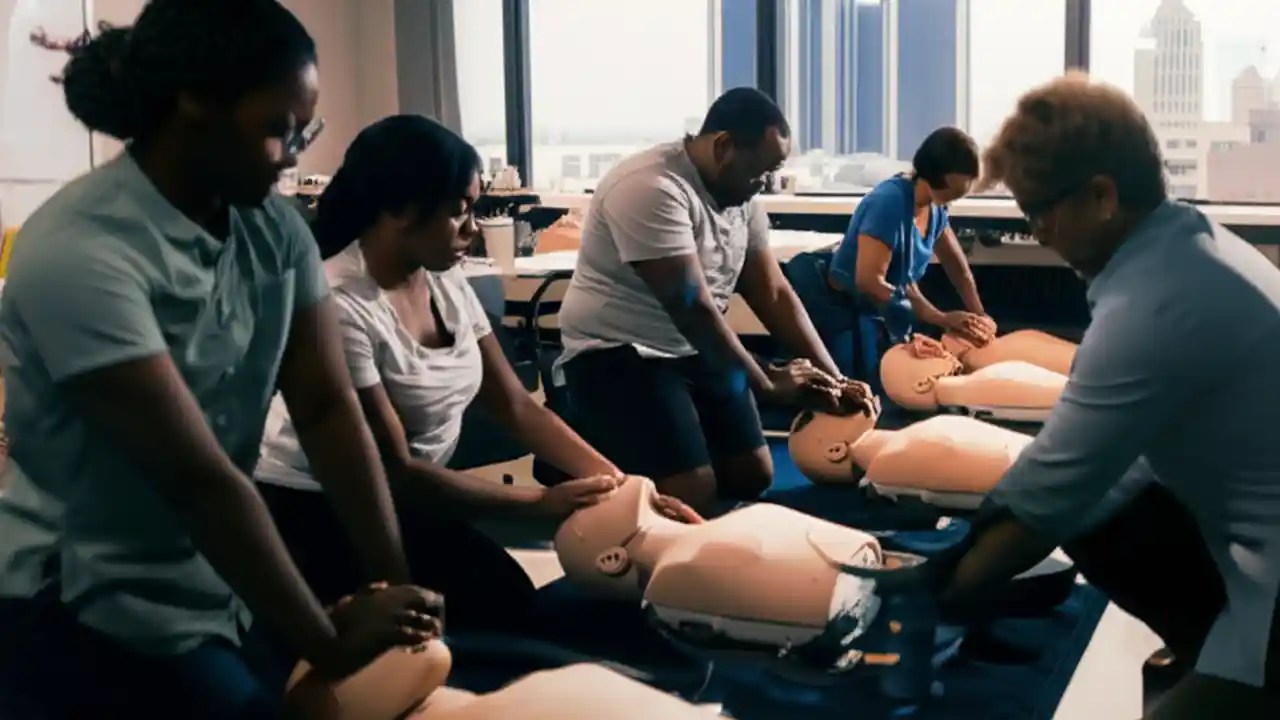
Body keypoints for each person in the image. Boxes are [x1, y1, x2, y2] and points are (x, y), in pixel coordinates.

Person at [0, 4, 440, 717]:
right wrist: (327, 640)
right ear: (195, 104)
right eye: (277, 129)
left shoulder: (274, 229)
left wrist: (392, 589)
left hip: (215, 579)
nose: (295, 152)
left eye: (305, 130)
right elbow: (197, 479)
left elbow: (329, 410)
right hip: (81, 599)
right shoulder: (80, 253)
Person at [937, 74, 1280, 718]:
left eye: (1039, 212)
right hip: (1254, 534)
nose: (1038, 233)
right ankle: (1206, 647)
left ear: (1100, 195)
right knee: (1101, 517)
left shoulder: (1152, 307)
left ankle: (1244, 681)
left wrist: (932, 595)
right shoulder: (1191, 247)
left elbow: (1045, 496)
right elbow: (1102, 477)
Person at [254, 115, 633, 632]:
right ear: (399, 210)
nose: (473, 230)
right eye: (459, 212)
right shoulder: (341, 304)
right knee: (452, 635)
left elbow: (513, 405)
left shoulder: (444, 278)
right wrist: (541, 503)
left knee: (512, 604)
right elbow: (396, 469)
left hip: (414, 500)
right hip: (319, 509)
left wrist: (617, 482)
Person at [555, 87, 870, 513]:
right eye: (760, 172)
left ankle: (659, 439)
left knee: (752, 476)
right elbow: (690, 304)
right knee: (693, 493)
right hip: (618, 351)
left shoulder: (741, 199)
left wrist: (836, 379)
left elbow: (773, 293)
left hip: (692, 348)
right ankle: (582, 442)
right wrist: (768, 384)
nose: (763, 186)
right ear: (723, 146)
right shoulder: (650, 186)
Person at [788, 127, 993, 377]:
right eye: (956, 189)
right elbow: (870, 282)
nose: (959, 195)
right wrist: (941, 318)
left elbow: (957, 270)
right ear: (933, 175)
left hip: (894, 306)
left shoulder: (937, 206)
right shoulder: (889, 203)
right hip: (850, 309)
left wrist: (980, 317)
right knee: (875, 386)